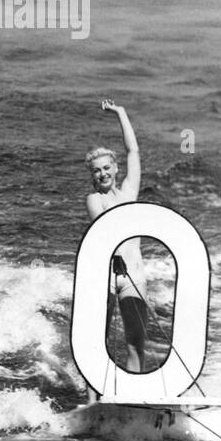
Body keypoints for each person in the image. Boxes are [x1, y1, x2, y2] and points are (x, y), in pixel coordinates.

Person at [84, 100, 147, 390]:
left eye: (107, 167)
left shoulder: (130, 191)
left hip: (133, 274)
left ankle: (133, 391)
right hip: (106, 275)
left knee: (135, 341)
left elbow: (133, 150)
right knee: (98, 342)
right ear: (93, 176)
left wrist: (121, 112)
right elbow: (107, 228)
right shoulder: (94, 199)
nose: (103, 174)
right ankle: (94, 397)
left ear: (116, 168)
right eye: (96, 171)